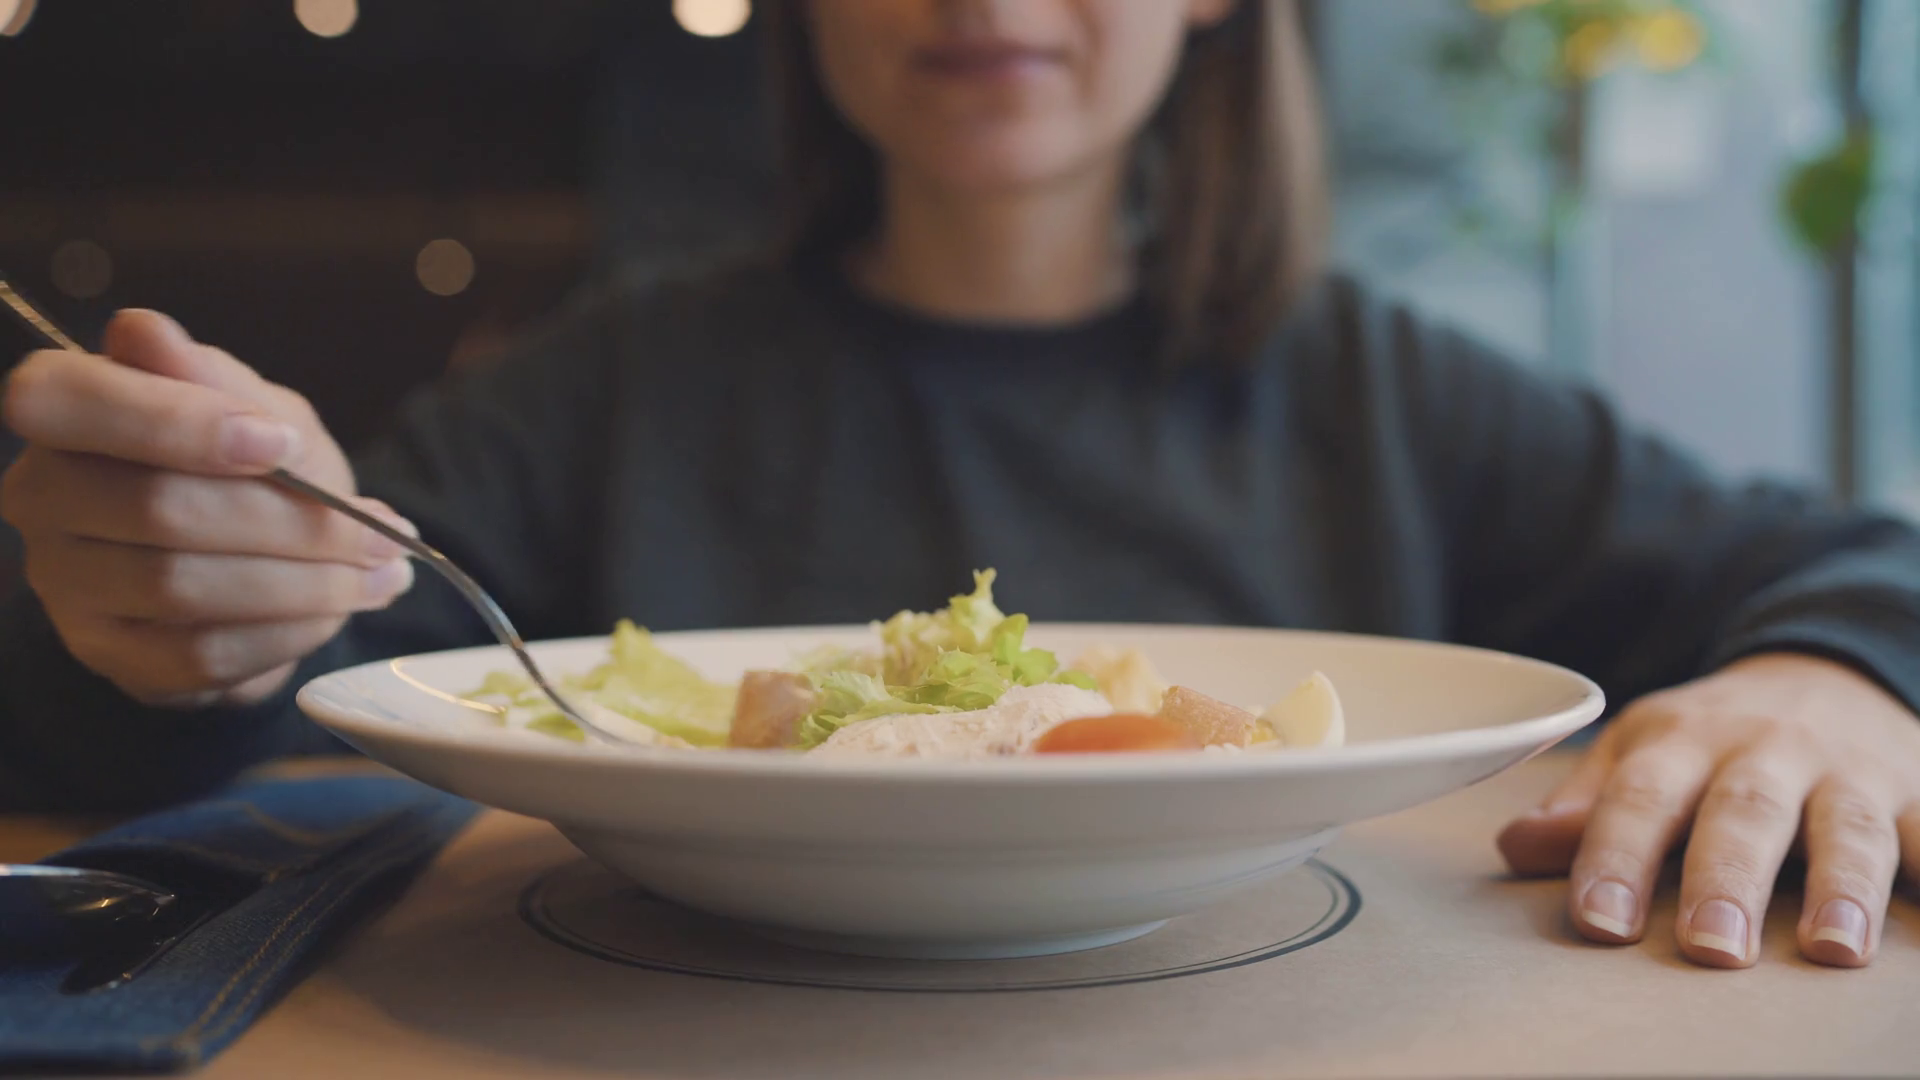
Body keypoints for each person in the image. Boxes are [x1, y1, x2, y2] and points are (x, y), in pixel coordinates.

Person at [2, 0, 1916, 973]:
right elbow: (227, 693)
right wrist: (180, 613)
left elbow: (1846, 562)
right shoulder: (611, 385)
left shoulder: (1382, 390)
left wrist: (1825, 675)